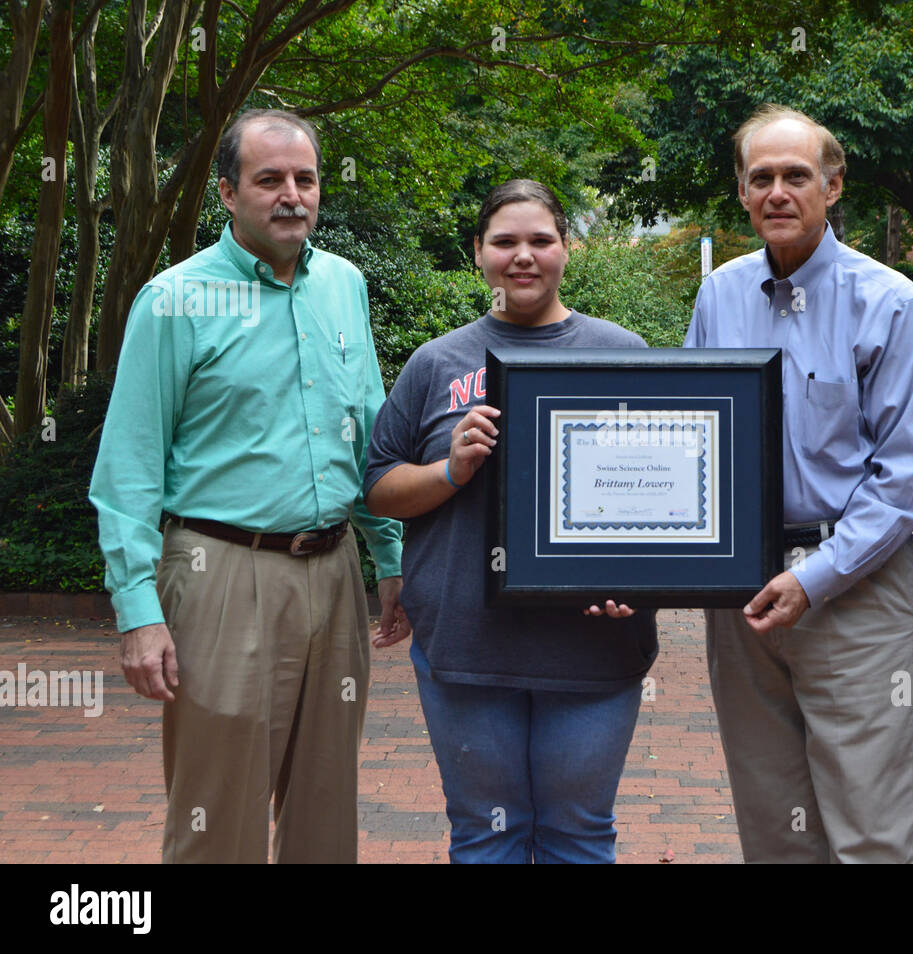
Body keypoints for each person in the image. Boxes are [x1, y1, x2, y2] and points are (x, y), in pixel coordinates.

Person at [89, 109, 407, 863]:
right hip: (220, 574)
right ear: (228, 193)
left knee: (326, 813)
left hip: (334, 578)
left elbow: (365, 428)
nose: (291, 194)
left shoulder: (343, 286)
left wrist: (389, 555)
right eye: (269, 180)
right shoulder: (175, 299)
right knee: (217, 819)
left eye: (305, 178)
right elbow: (129, 466)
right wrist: (137, 610)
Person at [364, 179, 658, 864]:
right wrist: (449, 470)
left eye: (540, 240)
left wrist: (637, 580)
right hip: (469, 647)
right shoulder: (437, 362)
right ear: (478, 253)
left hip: (592, 649)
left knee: (578, 836)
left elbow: (657, 497)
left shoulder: (622, 352)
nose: (522, 256)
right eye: (504, 241)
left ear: (566, 249)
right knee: (485, 837)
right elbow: (378, 487)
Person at [683, 105, 913, 863]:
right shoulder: (719, 296)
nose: (778, 192)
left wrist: (816, 578)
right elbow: (696, 440)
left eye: (797, 176)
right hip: (746, 594)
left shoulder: (887, 300)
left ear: (833, 186)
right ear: (741, 192)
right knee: (774, 826)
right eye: (761, 178)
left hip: (857, 590)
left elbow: (904, 472)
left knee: (873, 831)